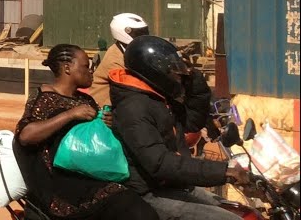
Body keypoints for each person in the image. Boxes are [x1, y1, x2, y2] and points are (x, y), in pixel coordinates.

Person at [109, 35, 249, 220]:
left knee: (240, 212)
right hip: (149, 193)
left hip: (172, 184)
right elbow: (160, 163)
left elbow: (192, 122)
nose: (178, 77)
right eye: (173, 72)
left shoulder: (156, 98)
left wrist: (194, 78)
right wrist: (223, 171)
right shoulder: (133, 108)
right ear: (155, 71)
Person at [15, 44, 159, 219]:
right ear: (67, 68)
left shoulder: (86, 99)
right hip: (64, 185)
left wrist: (111, 123)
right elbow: (26, 135)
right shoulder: (44, 96)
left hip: (94, 174)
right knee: (137, 212)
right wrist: (70, 115)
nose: (91, 71)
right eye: (86, 66)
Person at [89, 13, 148, 107]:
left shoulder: (131, 50)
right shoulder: (115, 59)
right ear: (124, 32)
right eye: (139, 33)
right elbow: (130, 87)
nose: (143, 36)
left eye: (145, 32)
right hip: (104, 108)